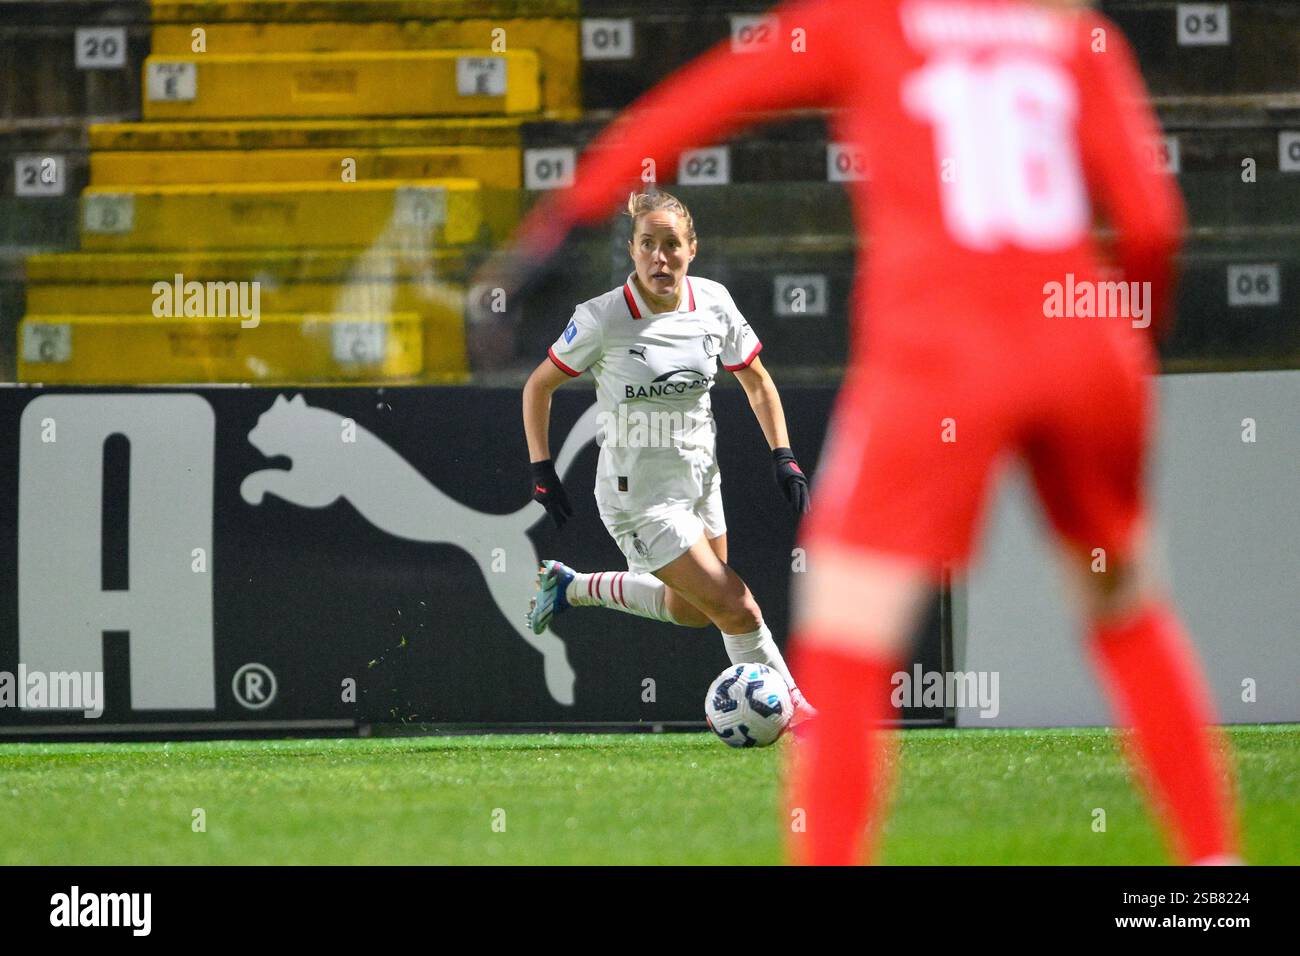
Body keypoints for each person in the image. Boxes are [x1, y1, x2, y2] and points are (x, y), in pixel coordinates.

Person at [489, 0, 1241, 865]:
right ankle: (1215, 878)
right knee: (1130, 610)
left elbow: (699, 104)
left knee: (846, 638)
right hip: (1086, 346)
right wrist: (1120, 348)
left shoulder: (868, 23)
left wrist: (563, 220)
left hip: (937, 354)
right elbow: (1153, 225)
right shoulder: (1070, 30)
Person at [520, 189, 817, 724]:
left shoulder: (714, 303)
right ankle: (796, 715)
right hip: (639, 501)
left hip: (701, 483)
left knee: (693, 612)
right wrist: (543, 469)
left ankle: (573, 586)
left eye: (672, 244)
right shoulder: (601, 319)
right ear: (633, 251)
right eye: (648, 245)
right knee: (737, 606)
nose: (661, 258)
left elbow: (756, 382)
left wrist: (784, 455)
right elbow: (538, 388)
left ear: (692, 248)